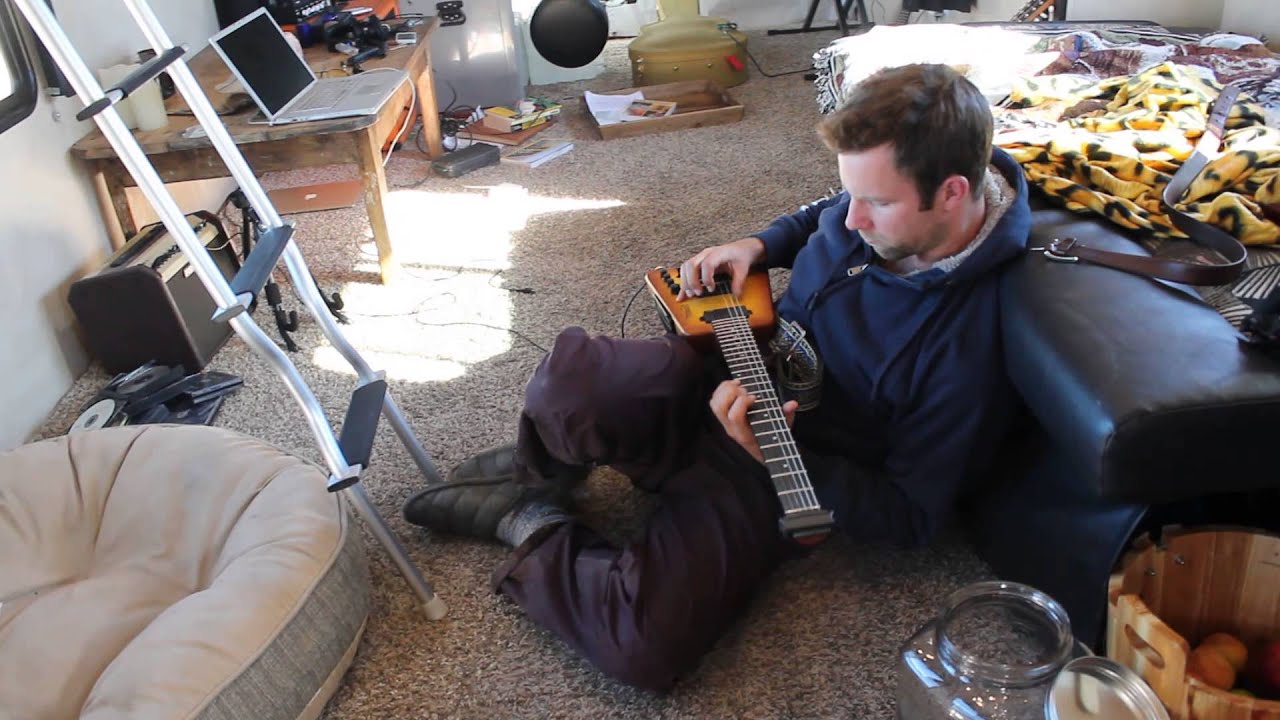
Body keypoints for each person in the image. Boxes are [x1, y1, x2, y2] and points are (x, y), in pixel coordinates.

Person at [404, 63, 1032, 691]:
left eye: (877, 204)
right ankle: (540, 478)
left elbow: (911, 518)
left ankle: (532, 522)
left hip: (777, 465)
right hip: (726, 368)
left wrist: (773, 456)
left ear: (951, 192)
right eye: (852, 193)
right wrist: (760, 245)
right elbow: (824, 212)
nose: (851, 221)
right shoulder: (887, 196)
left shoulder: (969, 350)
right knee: (572, 381)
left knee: (641, 646)